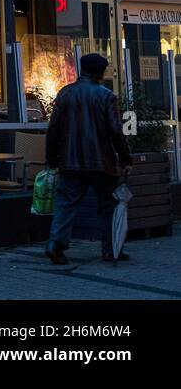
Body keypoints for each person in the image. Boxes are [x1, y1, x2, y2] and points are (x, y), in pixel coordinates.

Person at [45, 53, 133, 264]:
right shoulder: (106, 96)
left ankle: (55, 245)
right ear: (101, 73)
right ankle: (111, 249)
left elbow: (54, 129)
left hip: (70, 160)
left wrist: (52, 159)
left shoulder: (65, 94)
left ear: (82, 69)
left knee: (66, 204)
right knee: (107, 206)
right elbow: (115, 131)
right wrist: (125, 158)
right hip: (101, 162)